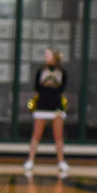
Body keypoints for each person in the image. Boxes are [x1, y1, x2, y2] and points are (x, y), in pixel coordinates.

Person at [24, 48, 69, 177]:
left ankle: (61, 162)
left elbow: (61, 88)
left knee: (58, 136)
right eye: (45, 55)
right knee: (36, 135)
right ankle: (30, 160)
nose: (45, 57)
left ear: (54, 57)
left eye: (48, 55)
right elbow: (37, 87)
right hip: (42, 105)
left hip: (56, 106)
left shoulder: (62, 72)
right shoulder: (41, 71)